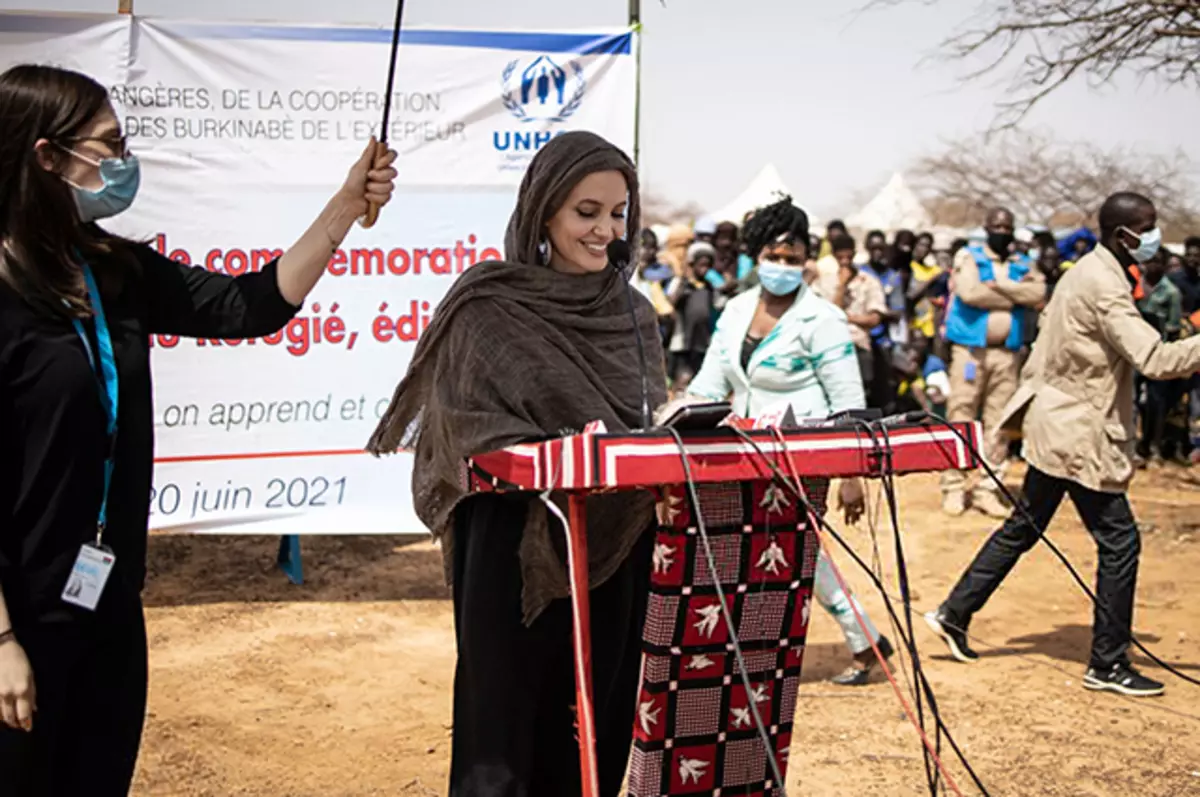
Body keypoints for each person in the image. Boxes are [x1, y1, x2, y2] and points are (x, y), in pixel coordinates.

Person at [0, 64, 397, 793]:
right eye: (108, 146)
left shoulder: (113, 269)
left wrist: (345, 205)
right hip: (18, 624)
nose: (123, 163)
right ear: (47, 157)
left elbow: (253, 304)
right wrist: (0, 641)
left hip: (110, 604)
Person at [366, 131, 666, 794]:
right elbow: (460, 424)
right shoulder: (487, 306)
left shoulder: (633, 313)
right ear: (544, 211)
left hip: (614, 547)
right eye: (586, 212)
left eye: (617, 213)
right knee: (501, 736)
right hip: (512, 552)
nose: (604, 230)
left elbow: (644, 422)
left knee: (594, 729)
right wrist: (554, 448)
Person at [926, 192, 1200, 698]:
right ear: (1125, 236)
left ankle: (954, 611)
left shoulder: (1087, 272)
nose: (1156, 237)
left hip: (1055, 424)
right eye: (1149, 228)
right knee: (1120, 543)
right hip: (1079, 432)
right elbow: (1154, 360)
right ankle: (1108, 662)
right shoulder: (1104, 284)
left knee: (1023, 528)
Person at [687, 196, 895, 687]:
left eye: (793, 257)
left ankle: (850, 638)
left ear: (806, 260)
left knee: (790, 549)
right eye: (774, 256)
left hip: (805, 453)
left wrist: (850, 476)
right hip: (741, 452)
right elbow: (710, 382)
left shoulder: (822, 319)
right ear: (757, 256)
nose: (783, 266)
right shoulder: (736, 310)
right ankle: (862, 638)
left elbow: (848, 402)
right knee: (767, 550)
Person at [939, 207, 1046, 518]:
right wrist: (1017, 295)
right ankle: (954, 485)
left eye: (1007, 226)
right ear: (986, 228)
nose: (1002, 230)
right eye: (996, 225)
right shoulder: (968, 257)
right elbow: (970, 293)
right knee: (961, 413)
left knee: (999, 420)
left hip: (1007, 352)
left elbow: (1038, 291)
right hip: (971, 352)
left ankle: (989, 487)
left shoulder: (1022, 261)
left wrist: (998, 288)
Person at [1133, 250, 1186, 466]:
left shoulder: (1171, 293)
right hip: (1133, 353)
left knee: (1157, 403)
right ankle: (1134, 447)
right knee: (1131, 401)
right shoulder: (1134, 286)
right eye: (1148, 261)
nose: (1151, 266)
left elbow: (1173, 329)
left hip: (1157, 353)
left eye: (1157, 262)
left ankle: (1153, 447)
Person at [828, 233, 887, 394]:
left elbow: (874, 318)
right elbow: (828, 315)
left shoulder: (869, 281)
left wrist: (848, 318)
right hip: (832, 347)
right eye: (841, 258)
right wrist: (841, 285)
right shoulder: (826, 281)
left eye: (849, 257)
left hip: (859, 345)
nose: (845, 262)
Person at [666, 242, 718, 393]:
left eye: (708, 266)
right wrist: (684, 279)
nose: (705, 269)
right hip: (683, 342)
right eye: (701, 265)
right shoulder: (682, 284)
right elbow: (671, 304)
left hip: (701, 341)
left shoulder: (709, 287)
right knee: (680, 381)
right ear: (692, 264)